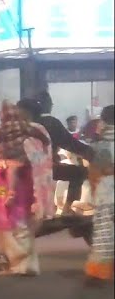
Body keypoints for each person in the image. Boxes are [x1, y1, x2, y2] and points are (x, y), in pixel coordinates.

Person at [0, 101, 53, 276]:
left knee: (16, 224)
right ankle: (27, 263)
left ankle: (21, 265)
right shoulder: (34, 130)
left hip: (16, 185)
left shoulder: (7, 130)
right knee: (24, 224)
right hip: (29, 182)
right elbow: (43, 153)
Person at [35, 92, 94, 209]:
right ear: (48, 105)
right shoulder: (50, 122)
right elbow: (70, 144)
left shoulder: (24, 124)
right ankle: (67, 208)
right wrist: (92, 153)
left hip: (24, 169)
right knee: (80, 172)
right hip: (46, 168)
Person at [85, 105, 115, 284]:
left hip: (106, 192)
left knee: (104, 232)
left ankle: (100, 271)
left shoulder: (99, 144)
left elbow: (96, 171)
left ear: (103, 121)